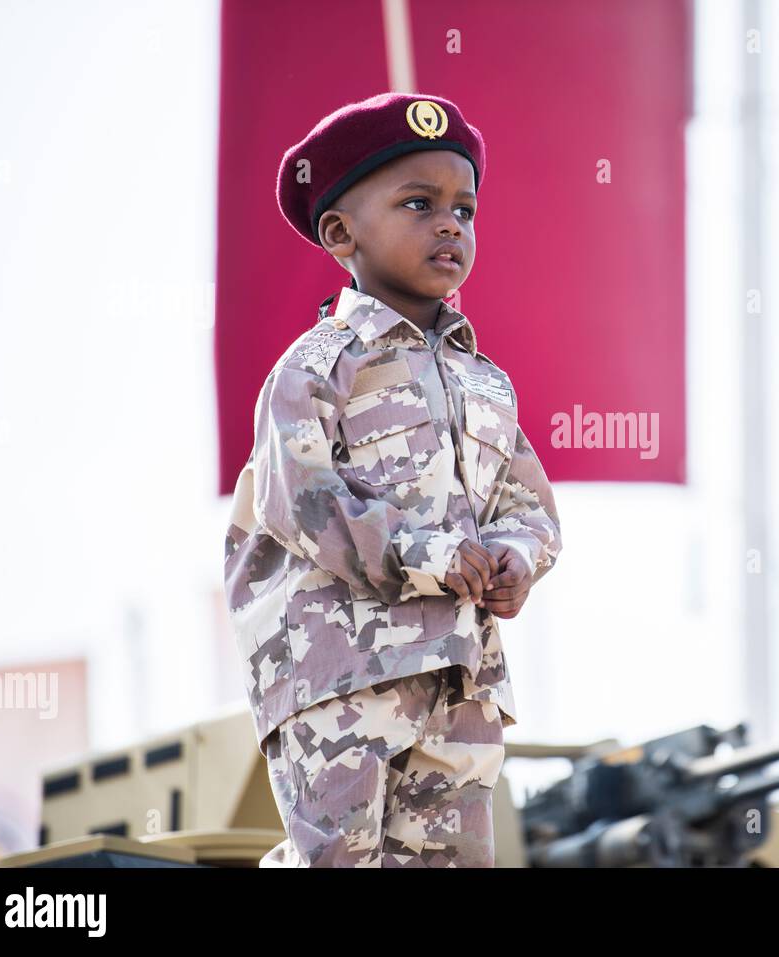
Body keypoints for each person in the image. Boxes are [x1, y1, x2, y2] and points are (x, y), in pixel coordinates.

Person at [223, 91, 562, 867]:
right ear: (341, 232)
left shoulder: (487, 384)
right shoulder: (316, 366)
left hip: (460, 676)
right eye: (420, 203)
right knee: (338, 858)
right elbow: (301, 500)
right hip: (342, 674)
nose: (451, 224)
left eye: (465, 210)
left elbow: (527, 503)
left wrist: (515, 556)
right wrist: (427, 554)